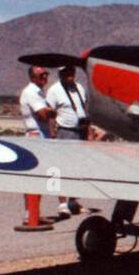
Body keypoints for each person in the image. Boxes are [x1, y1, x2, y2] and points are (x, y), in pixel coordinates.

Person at [45, 65, 89, 215]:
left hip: (81, 130)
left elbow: (85, 107)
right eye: (66, 72)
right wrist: (52, 134)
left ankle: (74, 201)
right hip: (65, 131)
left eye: (71, 71)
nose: (69, 74)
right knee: (62, 168)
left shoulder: (79, 88)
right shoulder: (54, 90)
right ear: (60, 73)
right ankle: (62, 203)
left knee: (78, 168)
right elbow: (50, 113)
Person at [20, 66, 53, 138]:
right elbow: (43, 115)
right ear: (33, 77)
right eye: (41, 75)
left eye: (46, 74)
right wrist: (55, 112)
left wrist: (50, 111)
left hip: (43, 132)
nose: (45, 77)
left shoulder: (39, 92)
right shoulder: (31, 92)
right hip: (36, 134)